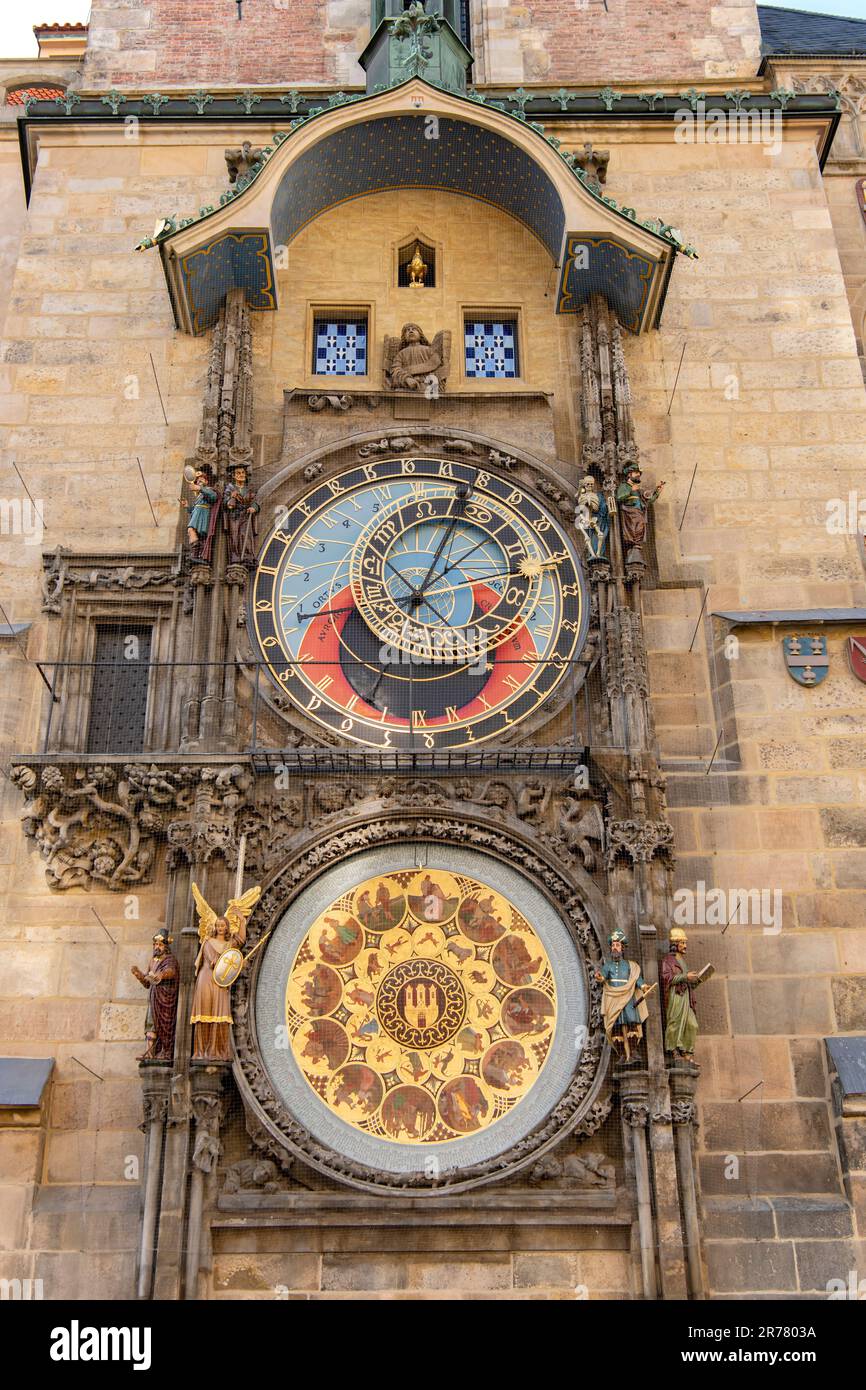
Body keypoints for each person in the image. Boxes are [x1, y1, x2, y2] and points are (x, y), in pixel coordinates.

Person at [595, 929, 649, 1063]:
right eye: (613, 945)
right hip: (613, 997)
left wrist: (642, 986)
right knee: (616, 1026)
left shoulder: (630, 966)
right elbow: (603, 977)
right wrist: (600, 977)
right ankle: (622, 1054)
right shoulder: (608, 966)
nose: (615, 948)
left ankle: (634, 1051)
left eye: (617, 945)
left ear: (622, 948)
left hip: (628, 998)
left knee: (632, 1024)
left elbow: (636, 978)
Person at [131, 928, 179, 1061]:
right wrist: (139, 975)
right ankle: (149, 1053)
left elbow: (172, 972)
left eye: (160, 945)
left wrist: (161, 975)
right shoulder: (153, 961)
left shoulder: (170, 959)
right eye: (155, 944)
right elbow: (147, 983)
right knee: (150, 1024)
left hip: (165, 999)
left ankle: (166, 1051)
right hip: (153, 998)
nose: (157, 947)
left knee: (164, 1025)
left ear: (166, 946)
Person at [661, 927, 707, 1061]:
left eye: (685, 943)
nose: (685, 946)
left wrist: (697, 980)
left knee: (693, 1024)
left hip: (686, 996)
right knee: (675, 1022)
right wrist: (685, 976)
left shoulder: (682, 961)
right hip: (675, 996)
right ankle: (674, 1050)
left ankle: (687, 1053)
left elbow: (687, 981)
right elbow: (667, 978)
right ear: (675, 944)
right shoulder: (668, 961)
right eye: (682, 943)